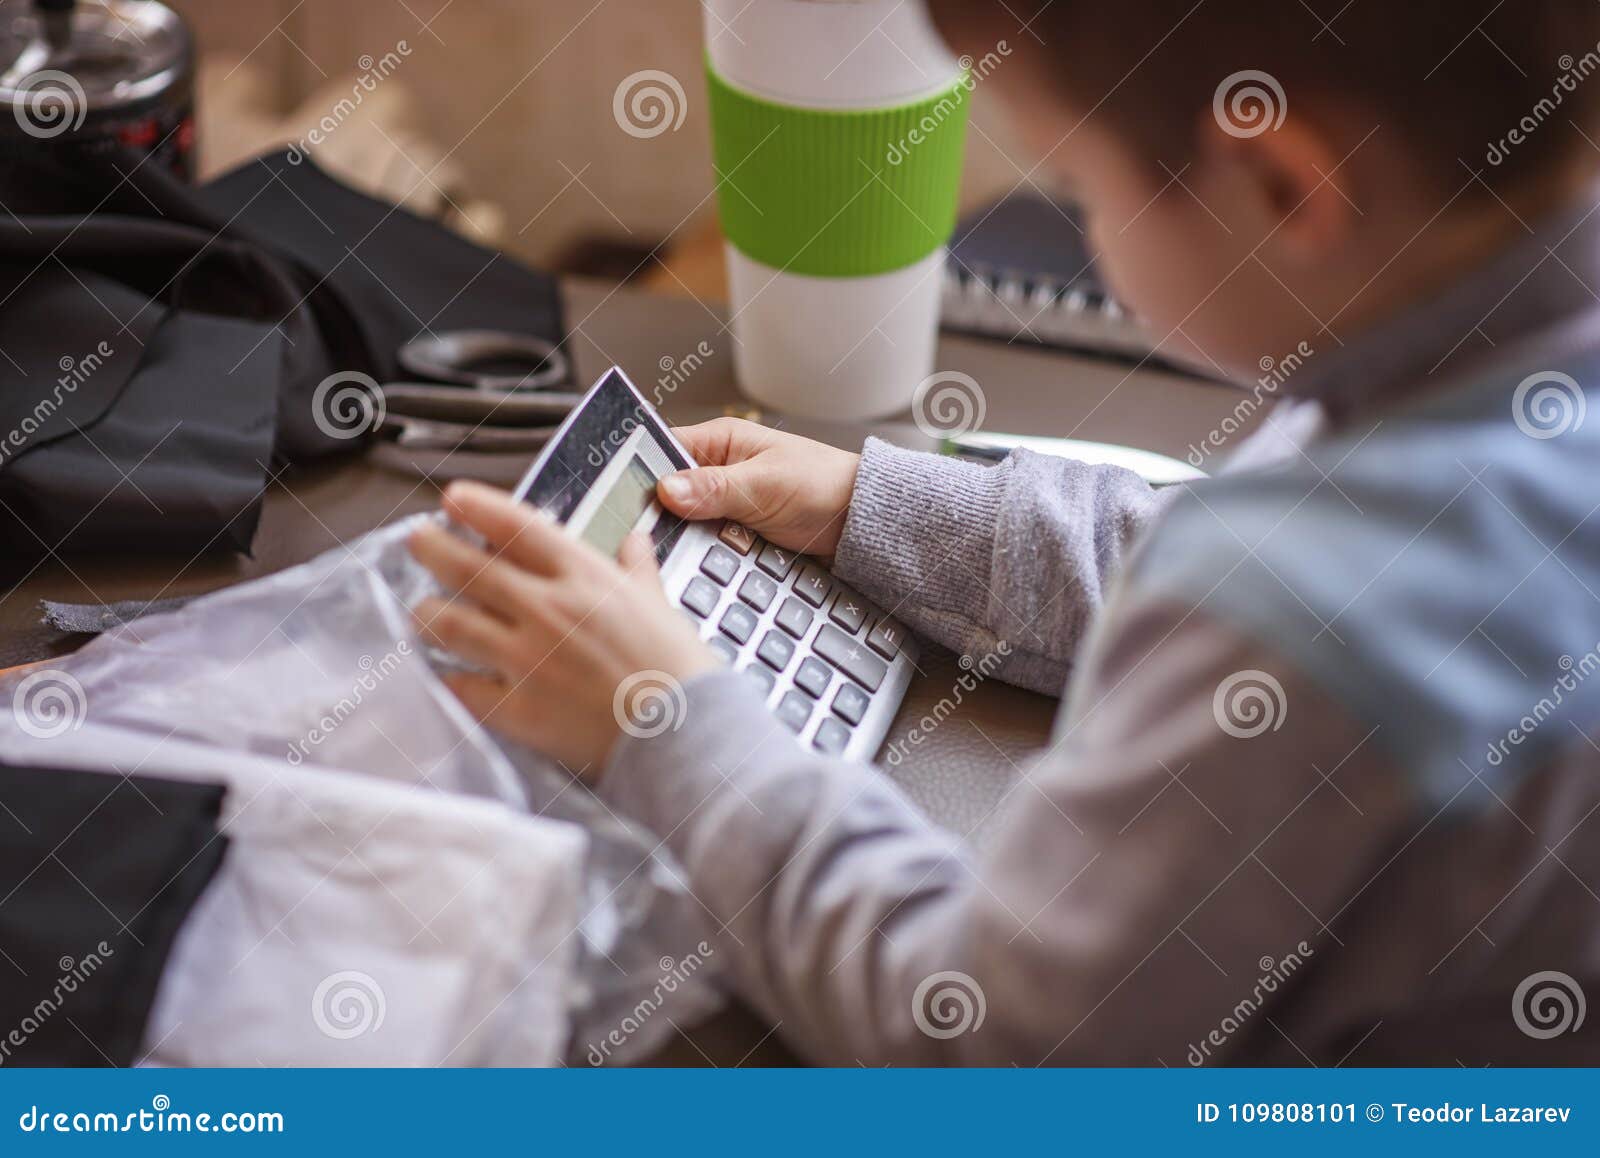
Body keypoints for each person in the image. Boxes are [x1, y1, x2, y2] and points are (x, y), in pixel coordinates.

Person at [406, 1, 1600, 1063]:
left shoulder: (1299, 625)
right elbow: (1255, 543)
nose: (1077, 217)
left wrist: (665, 723)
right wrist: (893, 511)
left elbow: (981, 1038)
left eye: (1078, 184)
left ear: (1284, 187)